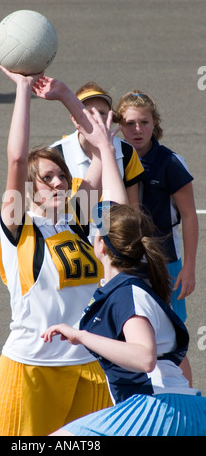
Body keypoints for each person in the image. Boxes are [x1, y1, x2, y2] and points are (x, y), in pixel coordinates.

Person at [0, 68, 127, 436]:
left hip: (88, 366)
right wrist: (23, 90)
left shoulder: (76, 219)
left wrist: (66, 95)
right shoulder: (19, 225)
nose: (60, 181)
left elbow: (98, 147)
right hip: (31, 368)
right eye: (47, 178)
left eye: (61, 174)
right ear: (30, 190)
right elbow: (16, 160)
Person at [42, 112, 206, 435]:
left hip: (157, 409)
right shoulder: (139, 273)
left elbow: (144, 356)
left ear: (100, 246)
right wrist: (105, 146)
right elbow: (117, 208)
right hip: (175, 407)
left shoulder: (126, 293)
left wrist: (79, 336)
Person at [115, 90, 198, 325]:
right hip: (125, 257)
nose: (137, 129)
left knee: (171, 328)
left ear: (155, 123)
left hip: (165, 257)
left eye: (144, 122)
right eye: (129, 123)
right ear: (119, 125)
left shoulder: (170, 163)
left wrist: (189, 267)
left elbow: (190, 216)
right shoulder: (112, 157)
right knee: (130, 324)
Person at [50, 82, 144, 206]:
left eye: (102, 112)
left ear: (111, 116)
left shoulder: (127, 151)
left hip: (115, 224)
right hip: (73, 224)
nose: (96, 118)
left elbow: (133, 209)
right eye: (88, 113)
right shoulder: (55, 154)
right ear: (74, 118)